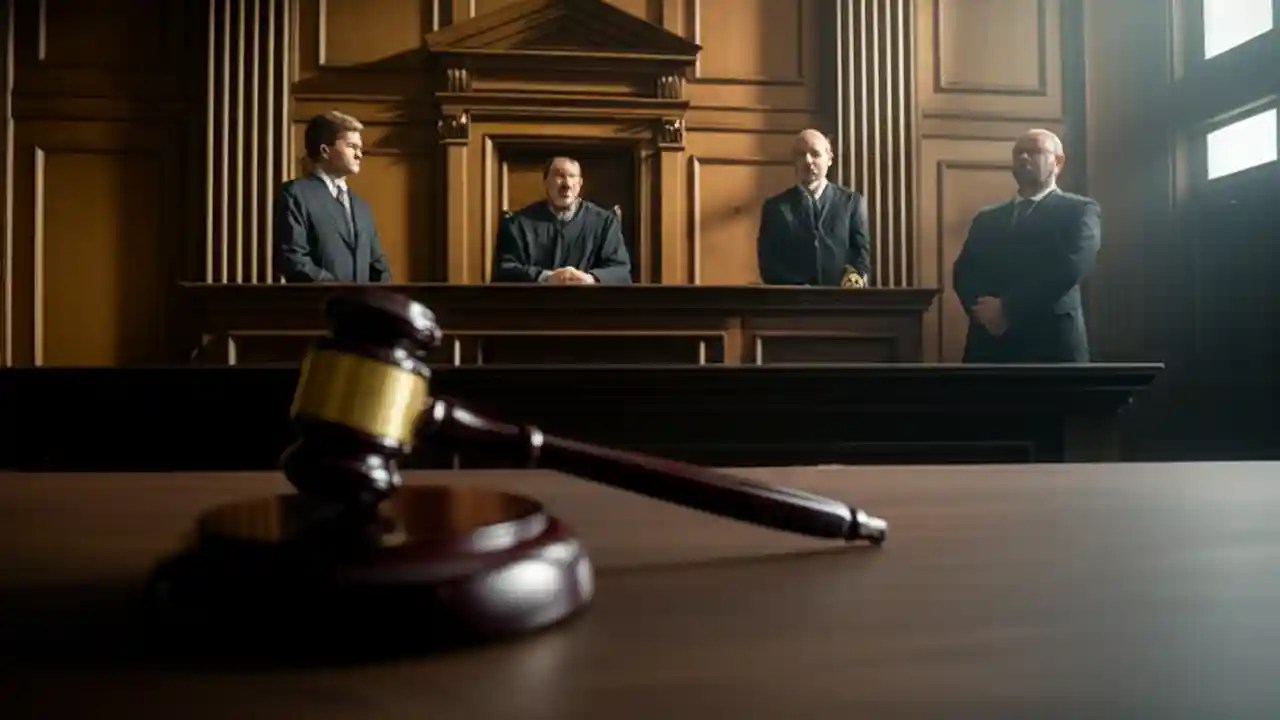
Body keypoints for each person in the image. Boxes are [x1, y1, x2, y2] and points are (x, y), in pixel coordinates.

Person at [952, 128, 1102, 363]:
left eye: (1034, 151)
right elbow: (963, 271)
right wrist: (984, 312)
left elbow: (1070, 268)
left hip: (1051, 346)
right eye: (1018, 152)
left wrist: (1008, 310)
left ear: (1058, 162)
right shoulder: (987, 218)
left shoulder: (1079, 211)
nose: (1023, 157)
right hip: (990, 346)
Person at [274, 110, 391, 283]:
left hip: (362, 308)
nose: (359, 155)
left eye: (360, 148)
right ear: (325, 150)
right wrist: (338, 290)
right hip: (319, 305)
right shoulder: (296, 194)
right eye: (352, 146)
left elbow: (378, 265)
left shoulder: (361, 206)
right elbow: (293, 259)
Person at [756, 129, 872, 287]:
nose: (808, 160)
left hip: (840, 302)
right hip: (792, 304)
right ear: (794, 162)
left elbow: (860, 258)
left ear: (829, 158)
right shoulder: (775, 208)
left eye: (815, 154)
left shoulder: (851, 203)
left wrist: (855, 281)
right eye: (800, 155)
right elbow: (769, 265)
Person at [491, 156, 632, 284]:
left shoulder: (604, 222)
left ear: (580, 183)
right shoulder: (519, 223)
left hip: (589, 307)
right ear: (545, 181)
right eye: (559, 175)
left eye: (572, 176)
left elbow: (620, 270)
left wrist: (590, 278)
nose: (567, 184)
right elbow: (505, 269)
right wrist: (545, 277)